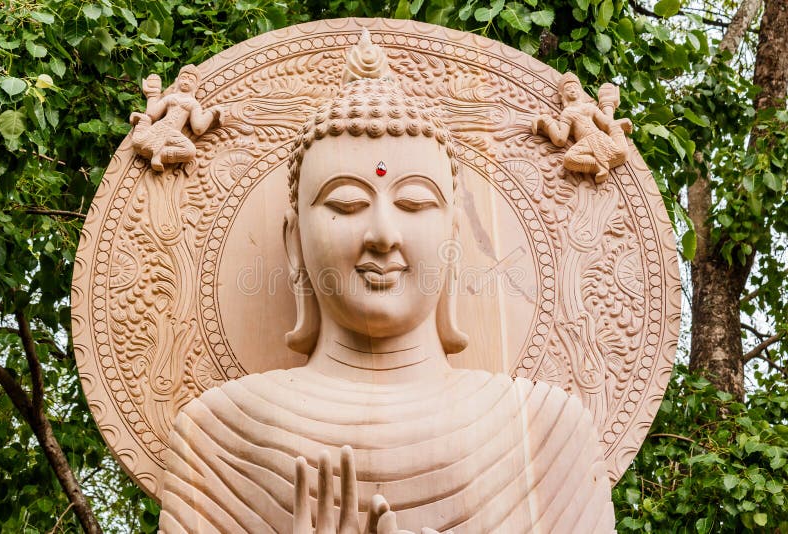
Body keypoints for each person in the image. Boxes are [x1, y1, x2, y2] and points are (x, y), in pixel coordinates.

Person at [158, 32, 614, 534]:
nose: (383, 234)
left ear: (453, 242)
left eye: (415, 203)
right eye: (346, 203)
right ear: (295, 243)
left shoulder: (548, 432)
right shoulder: (216, 437)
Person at [532, 72, 632, 183]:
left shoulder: (589, 107)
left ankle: (602, 162)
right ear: (562, 95)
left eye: (575, 87)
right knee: (569, 160)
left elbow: (607, 123)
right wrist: (547, 121)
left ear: (580, 90)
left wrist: (621, 121)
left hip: (600, 138)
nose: (572, 90)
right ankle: (598, 166)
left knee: (622, 153)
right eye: (568, 89)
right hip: (585, 143)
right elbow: (560, 139)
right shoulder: (567, 113)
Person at [129, 65, 220, 172]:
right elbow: (152, 114)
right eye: (183, 78)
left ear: (196, 85)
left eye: (191, 80)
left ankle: (160, 155)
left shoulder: (193, 104)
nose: (186, 82)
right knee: (137, 142)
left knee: (190, 151)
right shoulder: (171, 97)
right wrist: (153, 93)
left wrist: (212, 112)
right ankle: (143, 125)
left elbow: (198, 128)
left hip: (173, 134)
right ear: (177, 80)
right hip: (160, 127)